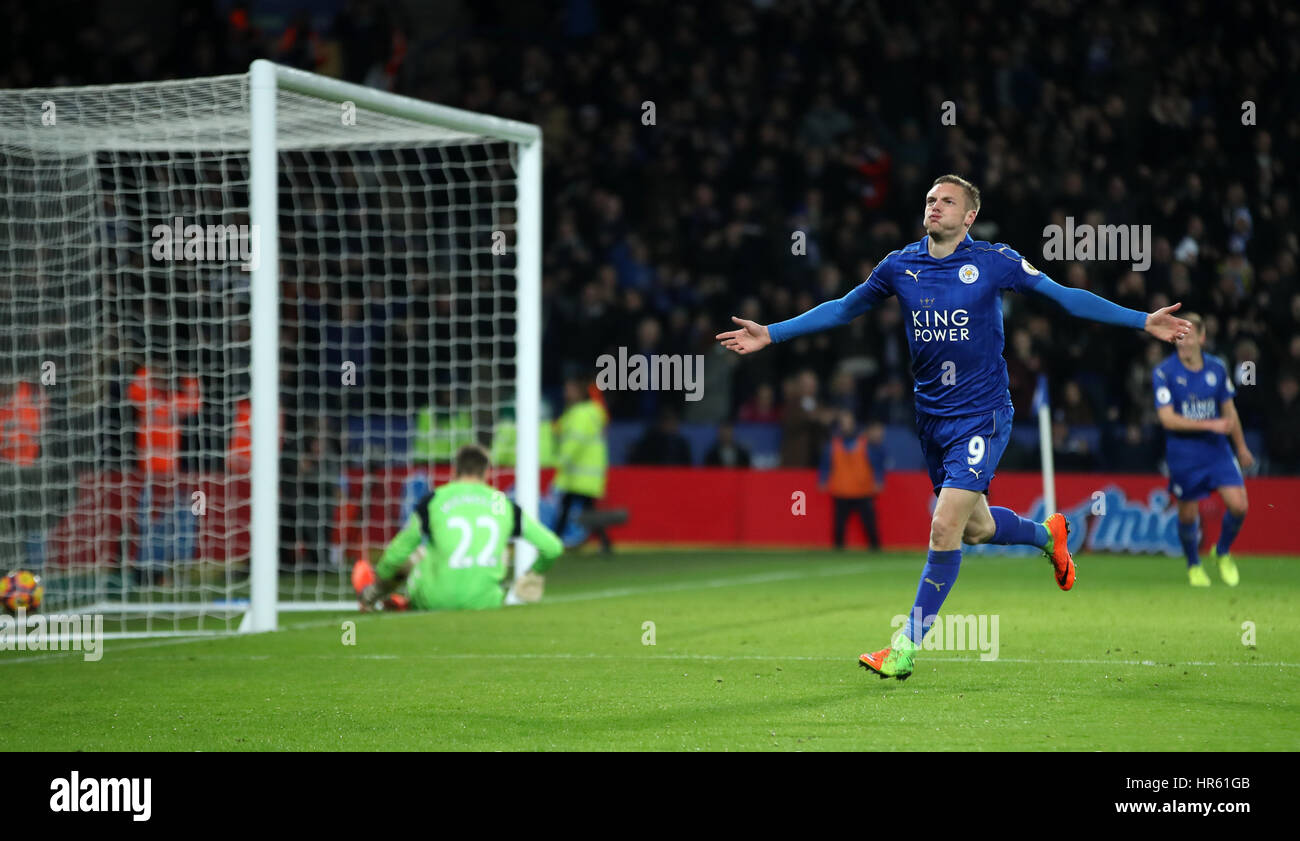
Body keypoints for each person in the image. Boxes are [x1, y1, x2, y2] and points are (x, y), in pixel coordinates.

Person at [717, 174, 1191, 680]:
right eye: (930, 199)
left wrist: (1143, 321)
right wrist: (772, 331)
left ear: (969, 217)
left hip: (982, 415)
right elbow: (843, 309)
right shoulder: (899, 266)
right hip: (932, 422)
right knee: (977, 528)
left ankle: (904, 648)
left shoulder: (994, 261)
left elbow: (1066, 298)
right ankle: (1047, 536)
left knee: (943, 526)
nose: (935, 206)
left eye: (948, 201)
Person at [351, 444, 563, 611]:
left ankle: (376, 595)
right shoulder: (503, 504)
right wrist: (533, 574)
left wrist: (380, 577)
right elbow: (552, 547)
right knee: (504, 554)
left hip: (436, 601)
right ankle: (402, 601)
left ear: (455, 471)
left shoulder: (435, 500)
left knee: (418, 554)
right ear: (486, 473)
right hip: (486, 604)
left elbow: (396, 554)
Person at [1153, 313, 1253, 587]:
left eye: (1188, 336)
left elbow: (1230, 412)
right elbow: (1167, 419)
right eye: (1179, 337)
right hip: (1184, 454)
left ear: (1202, 337)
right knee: (1188, 515)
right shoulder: (1164, 372)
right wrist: (1210, 424)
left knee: (1239, 506)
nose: (1183, 343)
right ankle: (1193, 565)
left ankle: (1221, 551)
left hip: (1217, 451)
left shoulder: (1217, 368)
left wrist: (1241, 447)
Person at [553, 377, 614, 552]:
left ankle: (554, 542)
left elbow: (574, 441)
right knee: (584, 508)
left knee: (568, 506)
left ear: (579, 392)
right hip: (588, 472)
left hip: (578, 471)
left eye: (569, 388)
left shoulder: (580, 414)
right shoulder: (590, 412)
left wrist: (560, 460)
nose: (566, 392)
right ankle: (605, 543)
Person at [819, 411, 884, 550]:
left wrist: (879, 480)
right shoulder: (832, 445)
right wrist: (823, 479)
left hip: (863, 492)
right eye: (843, 423)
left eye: (848, 422)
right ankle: (838, 552)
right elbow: (825, 464)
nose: (846, 426)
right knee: (838, 527)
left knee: (870, 526)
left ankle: (876, 549)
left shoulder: (866, 443)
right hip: (841, 492)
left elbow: (877, 463)